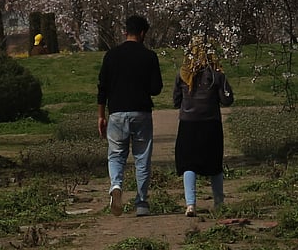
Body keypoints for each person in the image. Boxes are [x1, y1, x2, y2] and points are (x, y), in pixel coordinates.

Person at [97, 14, 163, 217]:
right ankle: (141, 203)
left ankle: (116, 186)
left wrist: (101, 115)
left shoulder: (111, 56)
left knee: (116, 155)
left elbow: (102, 88)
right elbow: (156, 88)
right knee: (142, 158)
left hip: (116, 112)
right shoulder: (149, 56)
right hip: (141, 112)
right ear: (142, 33)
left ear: (125, 32)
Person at [173, 35, 234, 217]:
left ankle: (190, 204)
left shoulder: (182, 75)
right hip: (211, 124)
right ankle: (219, 202)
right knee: (214, 164)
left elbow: (176, 101)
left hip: (188, 124)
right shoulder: (216, 75)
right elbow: (227, 100)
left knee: (188, 164)